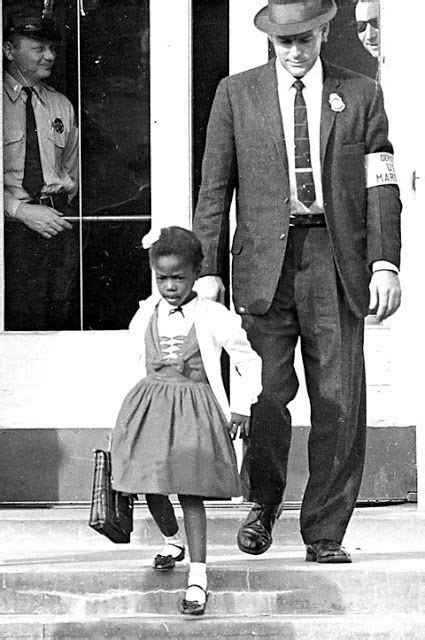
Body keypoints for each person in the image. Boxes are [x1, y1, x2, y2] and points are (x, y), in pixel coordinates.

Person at [193, 0, 401, 564]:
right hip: (264, 267)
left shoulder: (361, 93)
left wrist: (385, 263)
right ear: (270, 41)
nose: (295, 51)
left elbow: (381, 186)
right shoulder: (235, 94)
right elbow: (214, 190)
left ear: (324, 33)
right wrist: (206, 273)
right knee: (265, 393)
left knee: (338, 397)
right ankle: (261, 504)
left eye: (305, 39)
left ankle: (325, 530)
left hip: (335, 260)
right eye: (284, 42)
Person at [110, 226, 262, 615]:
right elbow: (132, 360)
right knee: (150, 484)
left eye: (178, 278)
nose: (170, 287)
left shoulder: (214, 316)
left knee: (190, 491)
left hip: (194, 408)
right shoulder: (146, 313)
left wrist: (242, 405)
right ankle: (172, 539)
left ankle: (198, 576)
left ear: (196, 273)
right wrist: (125, 416)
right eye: (162, 278)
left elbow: (246, 360)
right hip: (151, 406)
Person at [3, 5, 79, 330]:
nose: (49, 56)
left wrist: (62, 195)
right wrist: (19, 210)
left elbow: (72, 172)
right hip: (9, 234)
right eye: (38, 48)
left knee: (58, 322)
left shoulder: (60, 105)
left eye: (51, 48)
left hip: (55, 229)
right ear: (9, 50)